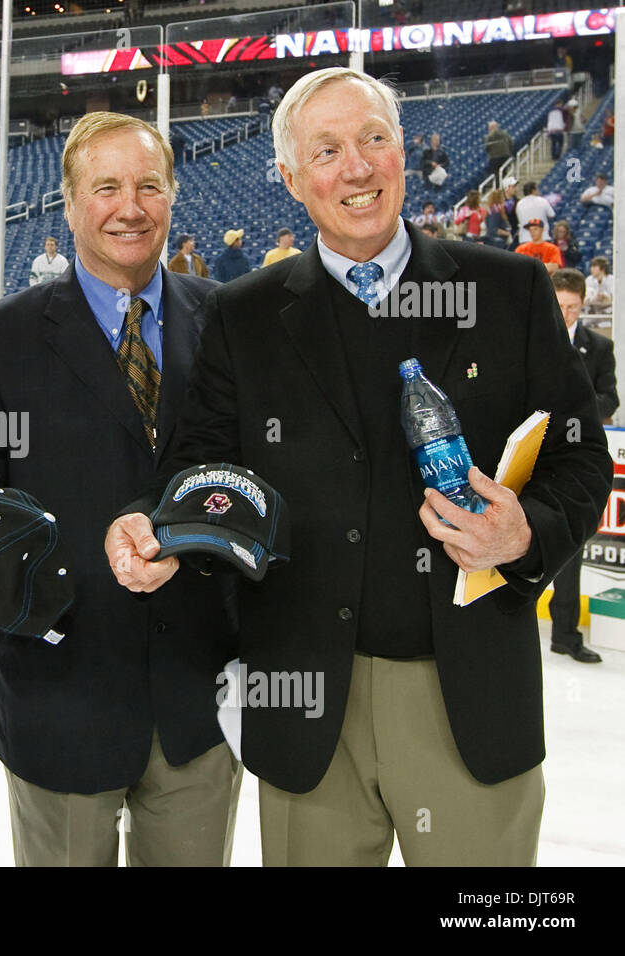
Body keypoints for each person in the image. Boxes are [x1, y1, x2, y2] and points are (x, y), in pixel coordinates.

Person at [104, 67, 611, 866]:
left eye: (375, 139)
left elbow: (581, 460)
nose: (358, 166)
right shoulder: (246, 315)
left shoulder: (506, 290)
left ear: (403, 152)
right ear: (290, 177)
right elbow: (201, 469)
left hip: (469, 697)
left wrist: (524, 535)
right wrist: (159, 527)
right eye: (328, 149)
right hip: (309, 706)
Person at [0, 112, 240, 867]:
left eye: (147, 187)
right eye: (105, 188)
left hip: (197, 699)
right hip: (59, 695)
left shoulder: (224, 320)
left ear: (171, 196)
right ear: (68, 203)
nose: (129, 207)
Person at [547, 268, 616, 664]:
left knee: (570, 547)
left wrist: (583, 413)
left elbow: (610, 398)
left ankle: (565, 635)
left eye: (573, 307)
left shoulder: (599, 348)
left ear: (583, 304)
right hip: (532, 454)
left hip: (574, 458)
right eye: (560, 306)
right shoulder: (530, 338)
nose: (567, 314)